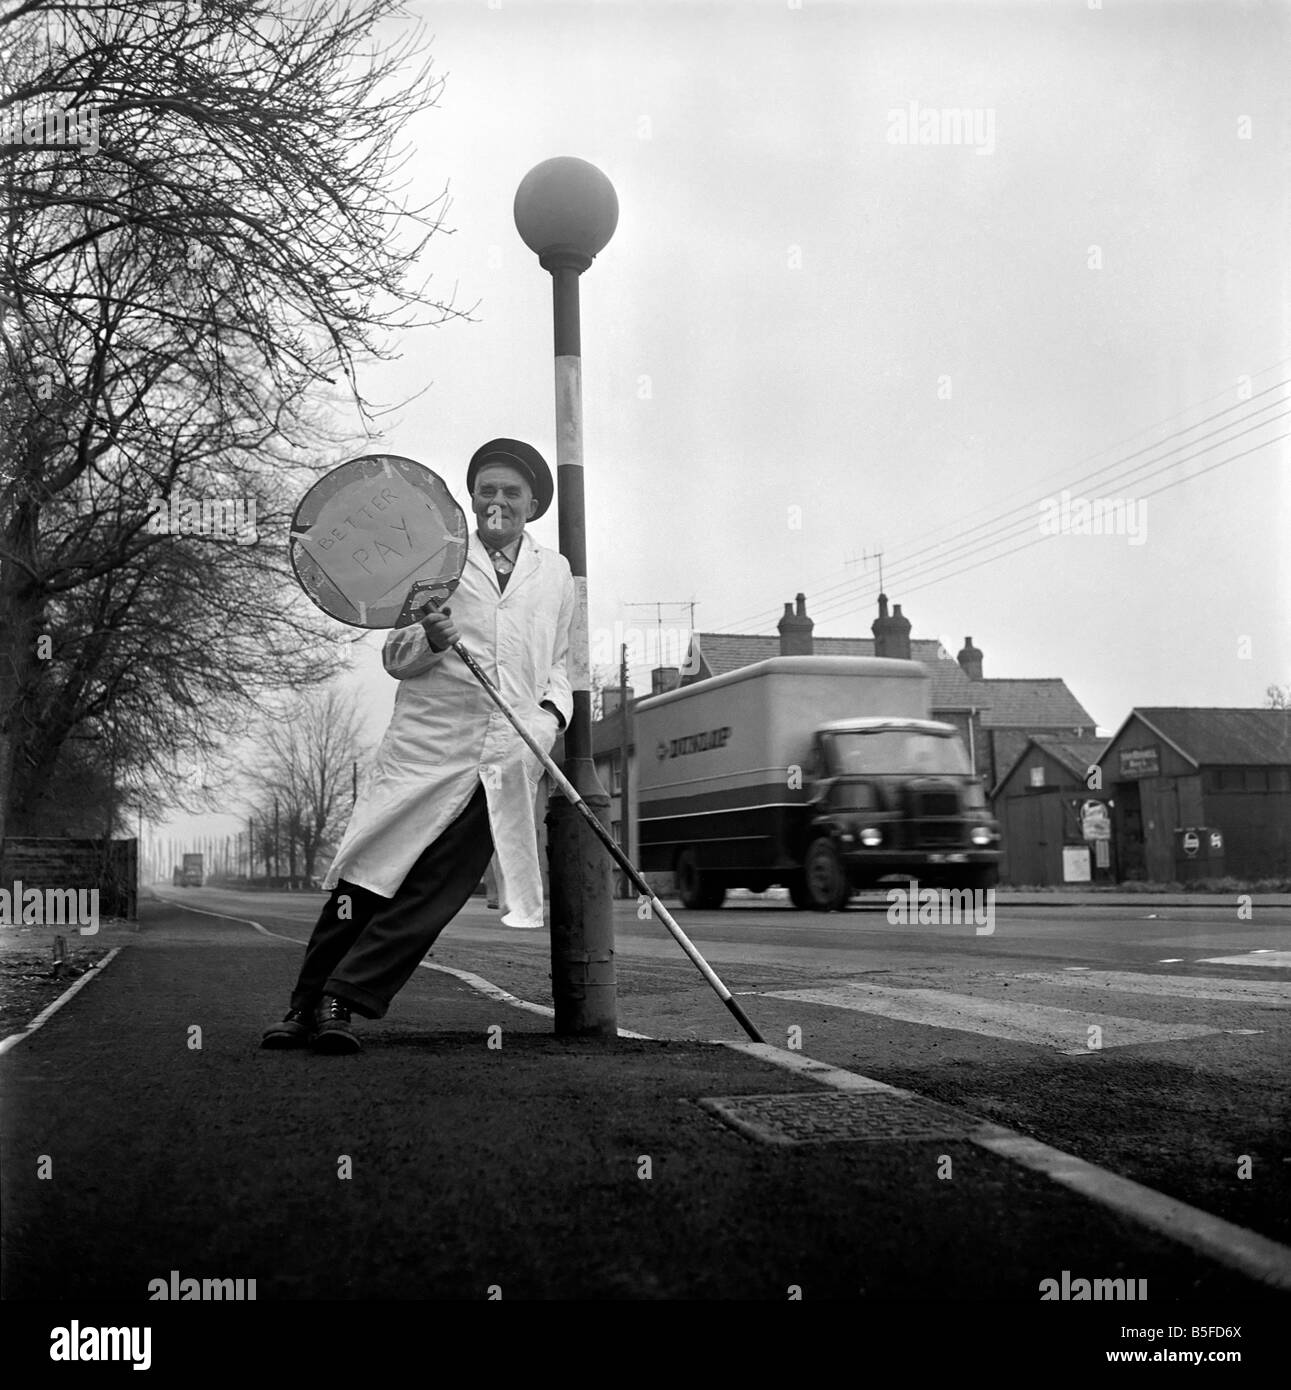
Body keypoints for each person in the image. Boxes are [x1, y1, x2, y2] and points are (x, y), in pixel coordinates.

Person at [261, 439, 575, 1054]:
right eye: (486, 490)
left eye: (511, 491)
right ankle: (305, 1007)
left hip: (507, 756)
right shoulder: (440, 561)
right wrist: (429, 637)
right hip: (426, 748)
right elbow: (395, 658)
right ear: (471, 498)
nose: (497, 501)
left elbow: (560, 663)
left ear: (533, 503)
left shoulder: (556, 573)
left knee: (436, 892)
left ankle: (340, 1002)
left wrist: (549, 718)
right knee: (369, 874)